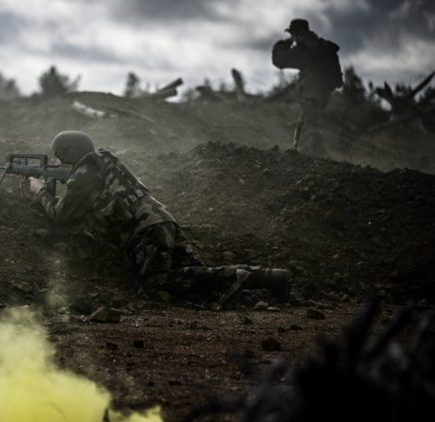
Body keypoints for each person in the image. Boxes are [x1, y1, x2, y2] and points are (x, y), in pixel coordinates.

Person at [24, 130, 290, 306]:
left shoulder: (84, 174)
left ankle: (241, 275)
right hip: (162, 221)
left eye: (59, 159)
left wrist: (40, 191)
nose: (57, 166)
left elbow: (61, 216)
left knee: (157, 282)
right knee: (200, 278)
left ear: (69, 154)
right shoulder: (105, 166)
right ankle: (267, 277)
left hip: (146, 231)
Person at [272, 18, 343, 156]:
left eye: (292, 35)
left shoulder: (306, 48)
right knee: (306, 122)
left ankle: (313, 156)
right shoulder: (323, 46)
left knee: (311, 126)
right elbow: (337, 78)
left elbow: (279, 60)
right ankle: (300, 152)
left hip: (311, 93)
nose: (292, 38)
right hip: (323, 93)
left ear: (298, 34)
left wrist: (284, 44)